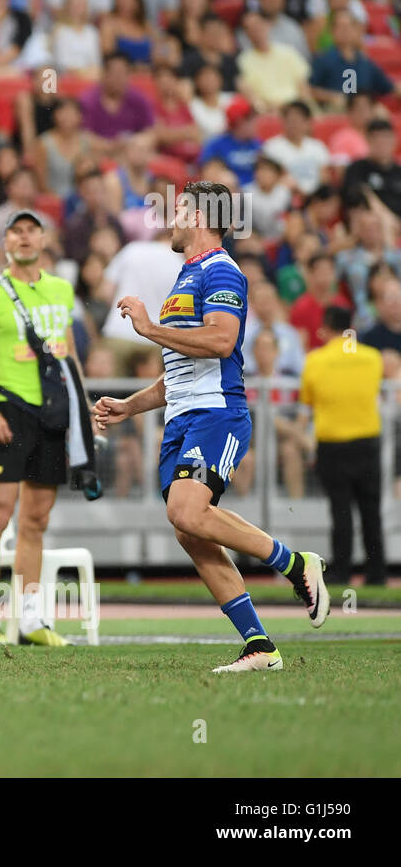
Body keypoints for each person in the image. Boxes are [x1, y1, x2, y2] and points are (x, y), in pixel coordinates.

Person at [92, 181, 330, 672]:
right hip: (183, 417)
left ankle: (294, 563)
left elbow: (222, 342)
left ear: (201, 215)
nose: (171, 219)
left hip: (216, 416)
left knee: (187, 509)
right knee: (191, 530)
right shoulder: (188, 276)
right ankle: (260, 646)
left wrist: (148, 329)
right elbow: (178, 372)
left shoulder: (222, 271)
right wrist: (129, 407)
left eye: (179, 209)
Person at [0, 210, 83, 647]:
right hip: (9, 406)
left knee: (36, 519)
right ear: (4, 242)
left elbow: (67, 355)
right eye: (16, 231)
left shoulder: (61, 290)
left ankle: (29, 619)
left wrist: (80, 408)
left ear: (44, 239)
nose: (25, 238)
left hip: (51, 411)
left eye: (31, 231)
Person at [300, 304, 387, 586]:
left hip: (332, 444)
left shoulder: (315, 360)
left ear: (326, 327)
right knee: (371, 511)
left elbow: (308, 403)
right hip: (367, 442)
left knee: (341, 511)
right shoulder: (373, 358)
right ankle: (376, 574)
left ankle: (342, 572)